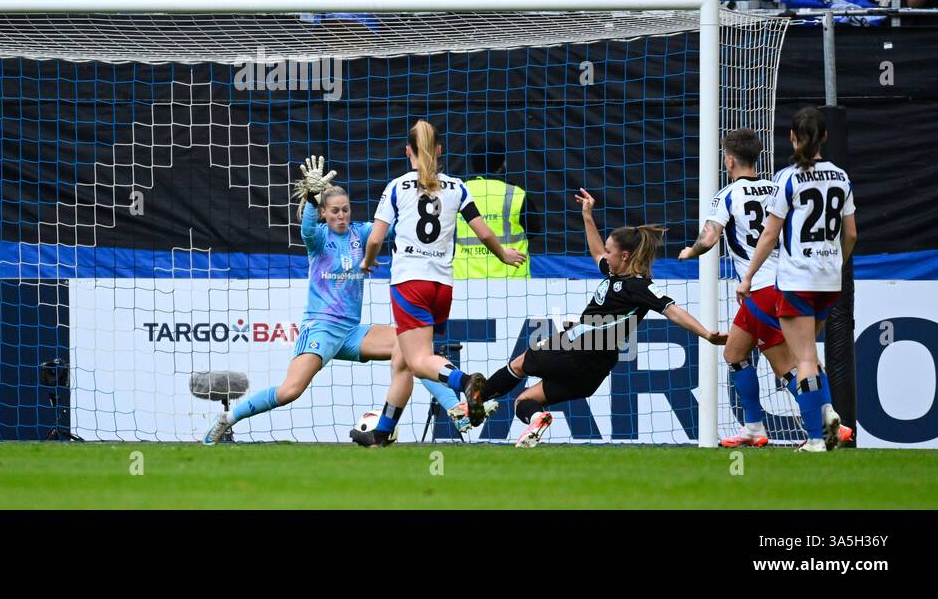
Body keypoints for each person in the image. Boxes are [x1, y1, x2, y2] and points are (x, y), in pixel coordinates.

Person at [203, 158, 472, 443]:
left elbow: (399, 225)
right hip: (321, 328)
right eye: (334, 211)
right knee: (290, 391)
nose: (341, 215)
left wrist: (424, 198)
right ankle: (228, 420)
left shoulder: (362, 232)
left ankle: (455, 407)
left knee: (409, 348)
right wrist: (310, 198)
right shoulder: (317, 238)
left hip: (353, 332)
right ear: (324, 213)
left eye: (345, 209)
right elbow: (306, 228)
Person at [475, 188, 726, 448]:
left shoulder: (639, 286)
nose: (605, 255)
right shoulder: (616, 274)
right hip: (595, 371)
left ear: (625, 256)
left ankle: (473, 404)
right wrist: (587, 215)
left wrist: (706, 334)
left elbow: (673, 310)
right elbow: (596, 253)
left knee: (517, 365)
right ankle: (537, 419)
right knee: (526, 400)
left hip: (577, 345)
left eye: (610, 251)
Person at [350, 120, 527, 446]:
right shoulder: (457, 187)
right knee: (402, 360)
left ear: (408, 152)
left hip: (409, 283)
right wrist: (502, 254)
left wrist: (367, 260)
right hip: (441, 286)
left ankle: (466, 383)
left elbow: (375, 237)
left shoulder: (397, 186)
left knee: (419, 362)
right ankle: (382, 432)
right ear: (440, 150)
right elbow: (485, 232)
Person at [740, 107, 857, 452]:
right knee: (809, 354)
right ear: (824, 137)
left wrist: (747, 277)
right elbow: (850, 235)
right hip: (829, 281)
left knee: (803, 356)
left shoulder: (787, 178)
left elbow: (769, 235)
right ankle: (827, 412)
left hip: (796, 280)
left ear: (792, 137)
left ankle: (817, 439)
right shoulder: (841, 177)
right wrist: (836, 263)